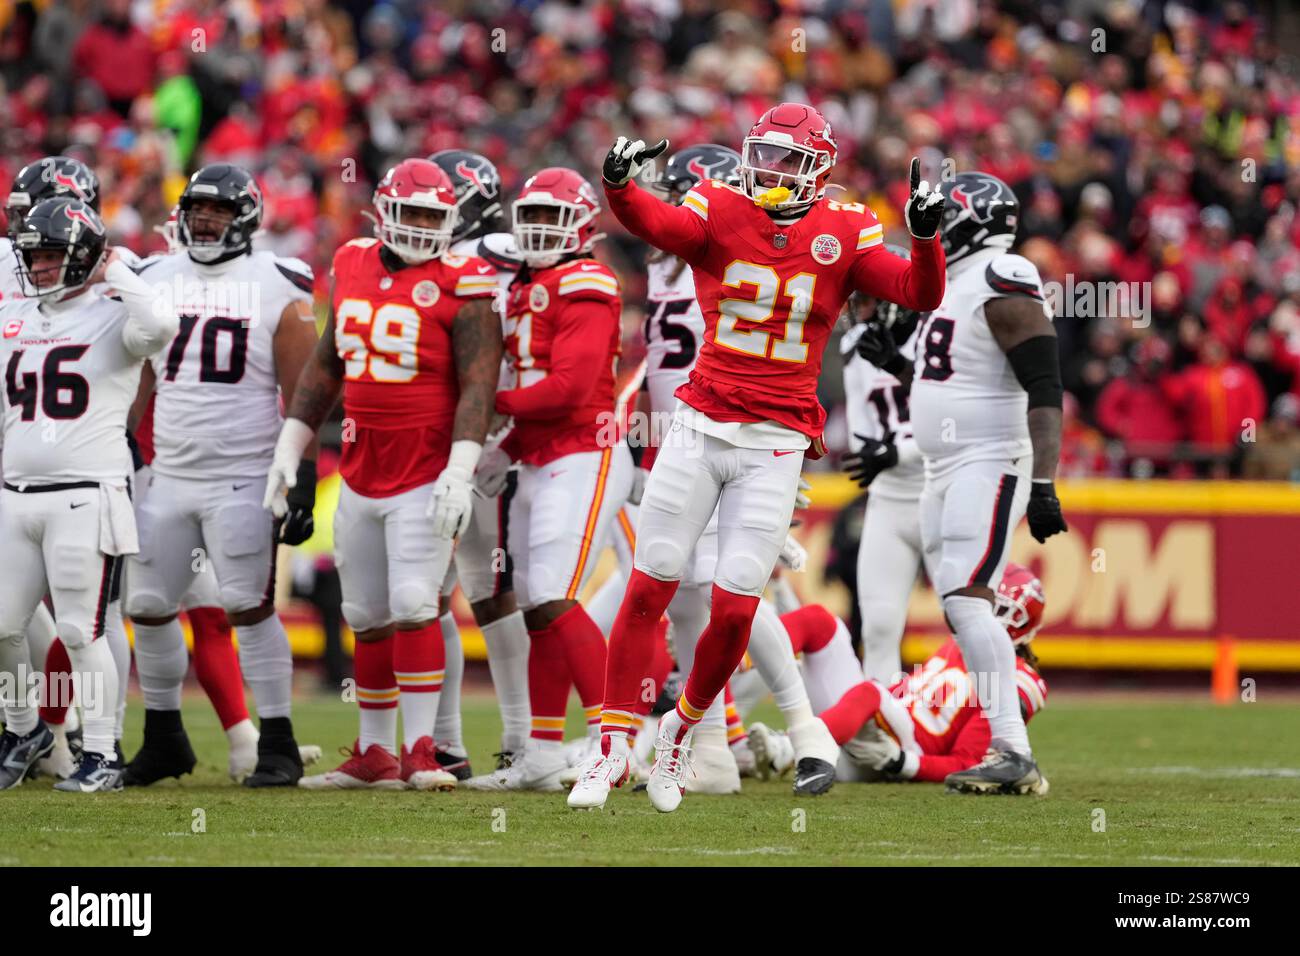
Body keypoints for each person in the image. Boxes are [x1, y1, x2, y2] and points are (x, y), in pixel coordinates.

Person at [571, 101, 947, 812]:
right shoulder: (719, 205)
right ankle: (612, 745)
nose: (770, 169)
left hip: (776, 440)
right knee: (651, 583)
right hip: (701, 421)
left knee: (738, 603)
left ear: (818, 172)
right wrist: (620, 186)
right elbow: (658, 224)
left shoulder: (846, 229)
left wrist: (926, 239)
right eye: (764, 154)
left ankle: (681, 732)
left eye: (787, 159)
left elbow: (917, 291)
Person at [268, 158, 501, 790]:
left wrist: (460, 469)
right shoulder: (352, 261)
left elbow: (481, 382)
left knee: (412, 603)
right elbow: (325, 363)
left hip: (427, 470)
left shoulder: (467, 279)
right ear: (385, 211)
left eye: (434, 216)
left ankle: (424, 750)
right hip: (363, 468)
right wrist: (292, 443)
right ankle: (375, 754)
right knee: (364, 612)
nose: (424, 227)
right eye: (414, 213)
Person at [855, 170, 1066, 796]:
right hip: (945, 465)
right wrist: (895, 363)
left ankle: (1012, 750)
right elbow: (952, 374)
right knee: (958, 604)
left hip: (988, 458)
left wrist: (1044, 481)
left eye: (948, 215)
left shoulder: (1007, 274)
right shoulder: (952, 282)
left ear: (972, 219)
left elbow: (1045, 384)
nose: (938, 224)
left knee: (970, 597)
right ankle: (1009, 750)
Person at [120, 163, 319, 788]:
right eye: (198, 209)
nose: (206, 220)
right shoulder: (155, 275)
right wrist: (123, 444)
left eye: (220, 211)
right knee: (148, 606)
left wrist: (302, 473)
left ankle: (279, 742)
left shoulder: (279, 282)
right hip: (170, 472)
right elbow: (143, 376)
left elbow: (304, 389)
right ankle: (163, 736)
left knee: (247, 607)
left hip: (243, 472)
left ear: (248, 219)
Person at [464, 167, 634, 792]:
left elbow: (566, 389)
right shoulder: (520, 286)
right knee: (536, 606)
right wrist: (500, 449)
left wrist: (486, 408)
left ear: (582, 226)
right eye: (530, 216)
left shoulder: (586, 279)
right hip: (537, 457)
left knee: (556, 598)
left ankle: (612, 740)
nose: (538, 229)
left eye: (551, 217)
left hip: (583, 453)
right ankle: (539, 751)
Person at [0, 197, 179, 792]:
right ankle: (23, 727)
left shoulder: (113, 311)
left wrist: (118, 271)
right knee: (2, 625)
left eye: (52, 255)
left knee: (81, 631)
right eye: (33, 255)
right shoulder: (18, 312)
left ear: (83, 257)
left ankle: (100, 754)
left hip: (84, 495)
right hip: (16, 492)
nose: (39, 267)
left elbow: (161, 326)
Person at [425, 148, 530, 777]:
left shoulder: (500, 252)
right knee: (439, 595)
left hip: (493, 435)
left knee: (484, 592)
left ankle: (512, 738)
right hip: (455, 434)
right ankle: (447, 743)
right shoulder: (437, 257)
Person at [798, 563, 1049, 792]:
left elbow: (967, 761)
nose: (984, 612)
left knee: (870, 692)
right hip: (886, 732)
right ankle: (785, 745)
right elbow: (905, 693)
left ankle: (794, 746)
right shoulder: (955, 645)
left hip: (905, 749)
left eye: (996, 607)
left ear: (1020, 621)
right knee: (816, 622)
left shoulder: (1020, 678)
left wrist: (901, 762)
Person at [838, 248, 930, 683]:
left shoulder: (935, 334)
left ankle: (984, 730)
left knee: (967, 617)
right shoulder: (856, 346)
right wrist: (875, 453)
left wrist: (901, 450)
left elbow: (957, 426)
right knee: (876, 627)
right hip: (889, 497)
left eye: (869, 299)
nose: (860, 311)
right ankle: (885, 738)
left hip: (941, 489)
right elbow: (862, 429)